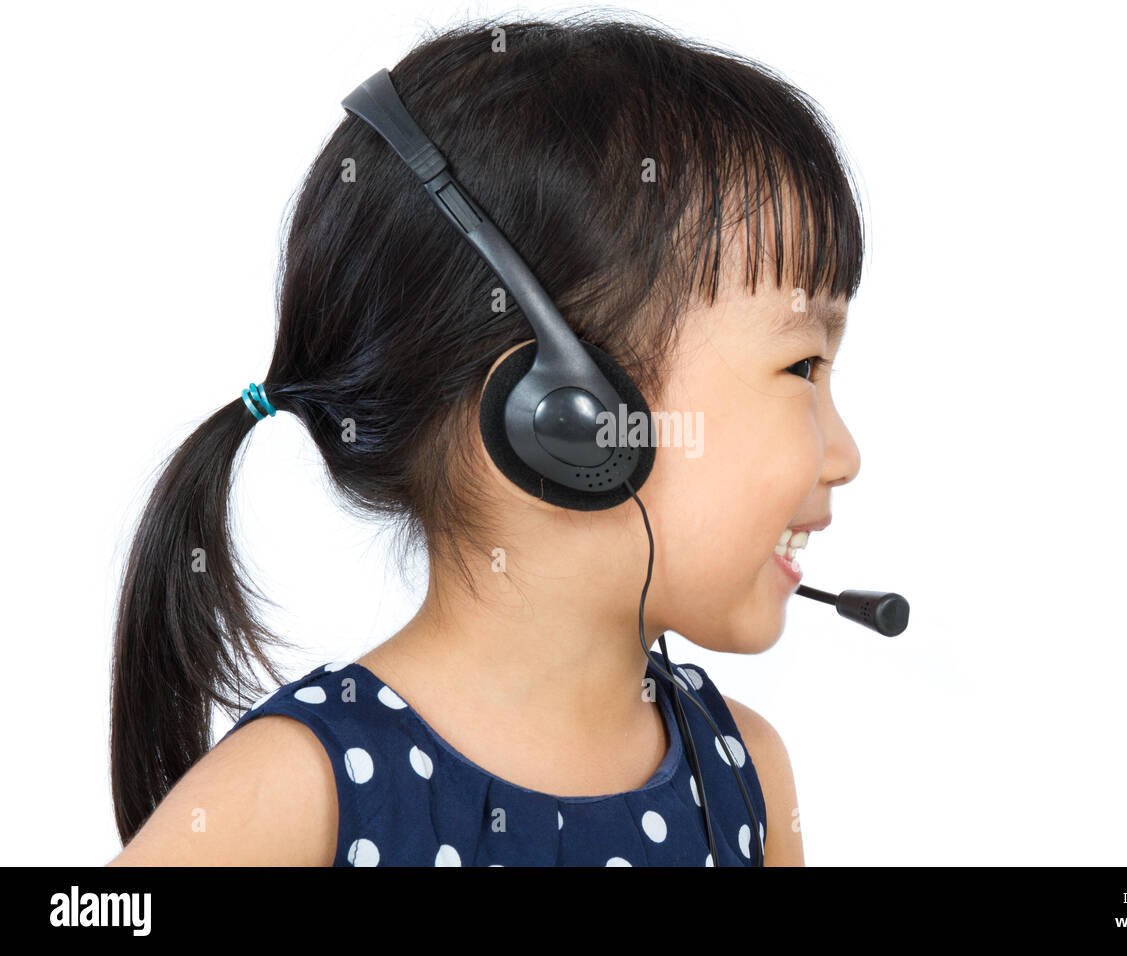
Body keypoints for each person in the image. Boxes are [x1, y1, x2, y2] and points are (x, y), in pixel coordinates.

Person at [106, 12, 861, 867]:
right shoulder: (296, 795)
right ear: (561, 408)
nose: (846, 454)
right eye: (802, 367)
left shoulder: (743, 777)